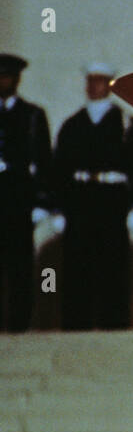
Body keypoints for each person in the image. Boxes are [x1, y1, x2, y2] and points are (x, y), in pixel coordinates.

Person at [52, 63, 133, 330]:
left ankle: (113, 326)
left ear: (110, 85)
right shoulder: (72, 124)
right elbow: (60, 169)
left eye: (101, 81)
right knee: (77, 265)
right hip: (80, 200)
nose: (95, 86)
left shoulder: (127, 124)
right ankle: (75, 326)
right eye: (91, 81)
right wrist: (58, 209)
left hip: (112, 200)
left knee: (113, 266)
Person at [0, 53, 52, 332]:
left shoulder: (32, 115)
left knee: (20, 267)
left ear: (17, 79)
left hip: (18, 202)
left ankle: (20, 326)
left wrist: (42, 201)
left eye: (7, 76)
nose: (3, 81)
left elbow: (42, 160)